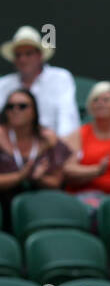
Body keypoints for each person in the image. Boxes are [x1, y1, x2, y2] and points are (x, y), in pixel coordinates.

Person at [0, 87, 71, 229]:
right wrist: (20, 176)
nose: (15, 110)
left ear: (34, 111)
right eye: (10, 106)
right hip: (4, 205)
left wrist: (38, 179)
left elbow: (56, 182)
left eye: (22, 106)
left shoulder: (47, 139)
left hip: (43, 206)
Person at [0, 25, 79, 139]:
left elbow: (67, 118)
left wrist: (60, 151)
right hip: (11, 151)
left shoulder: (60, 78)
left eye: (28, 53)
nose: (23, 59)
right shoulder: (3, 84)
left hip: (51, 148)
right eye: (18, 55)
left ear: (40, 55)